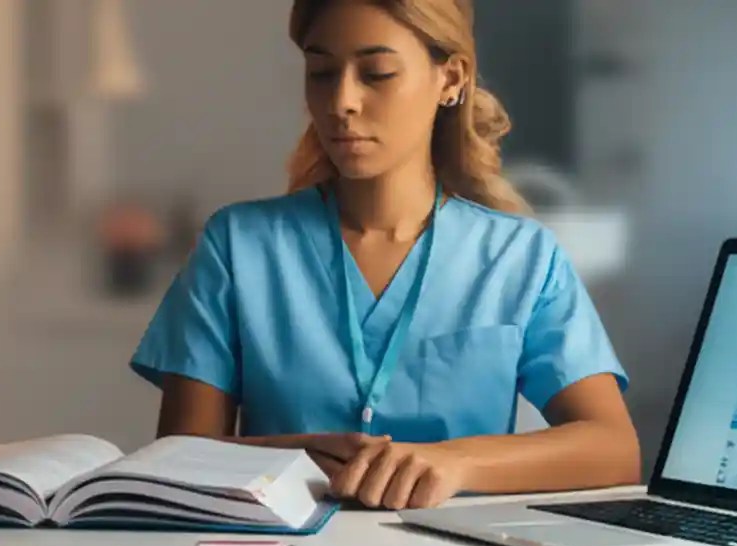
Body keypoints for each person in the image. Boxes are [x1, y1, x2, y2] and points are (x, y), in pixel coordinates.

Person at [131, 0, 640, 510]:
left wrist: (455, 461)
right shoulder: (238, 246)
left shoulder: (520, 257)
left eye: (377, 73)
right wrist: (294, 454)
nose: (341, 101)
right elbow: (177, 461)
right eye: (322, 72)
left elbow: (614, 448)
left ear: (451, 79)